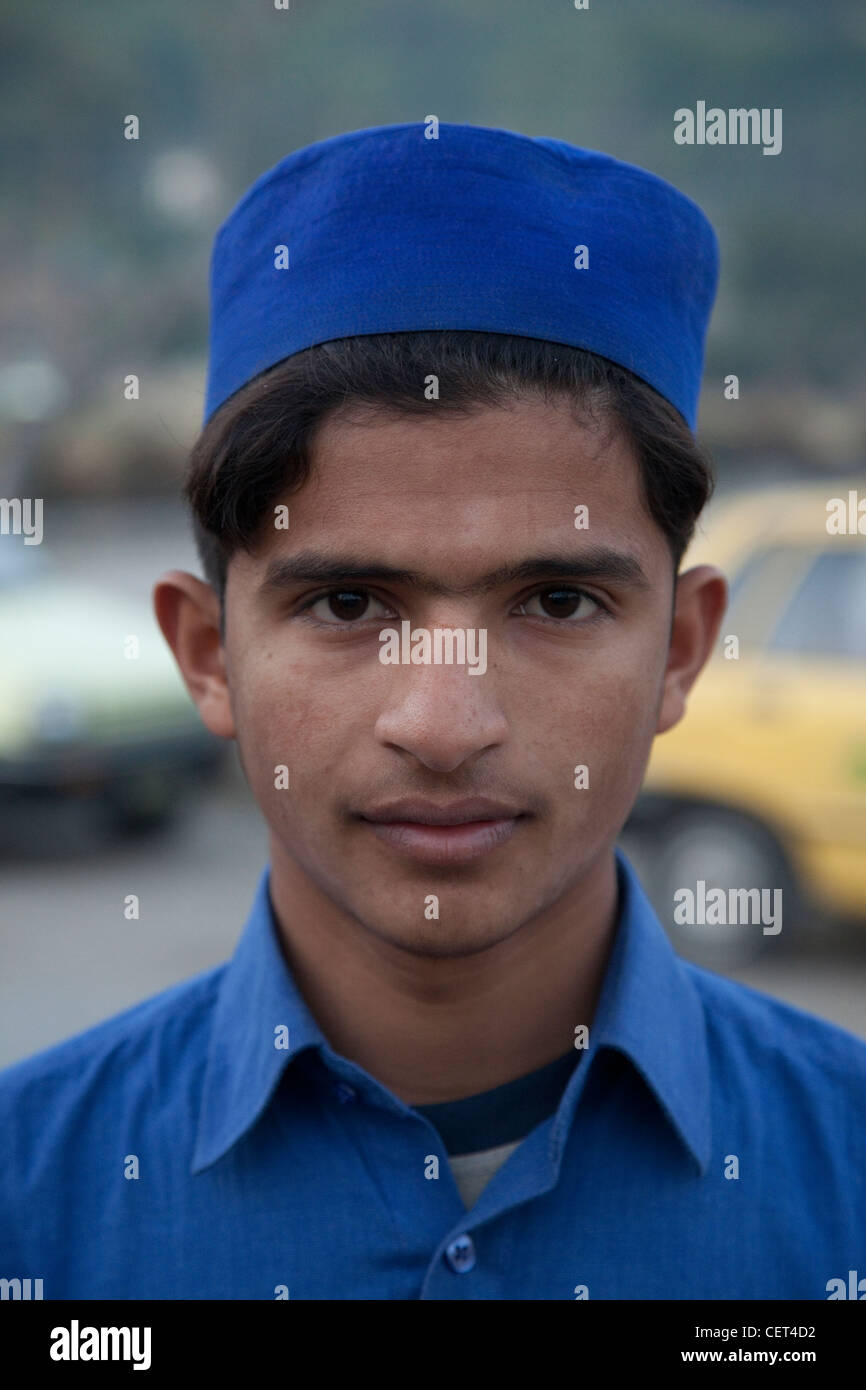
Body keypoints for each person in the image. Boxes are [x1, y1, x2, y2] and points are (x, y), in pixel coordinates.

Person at [1, 121, 864, 1301]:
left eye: (555, 600)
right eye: (348, 601)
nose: (445, 723)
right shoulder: (29, 1206)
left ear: (680, 646)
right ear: (208, 654)